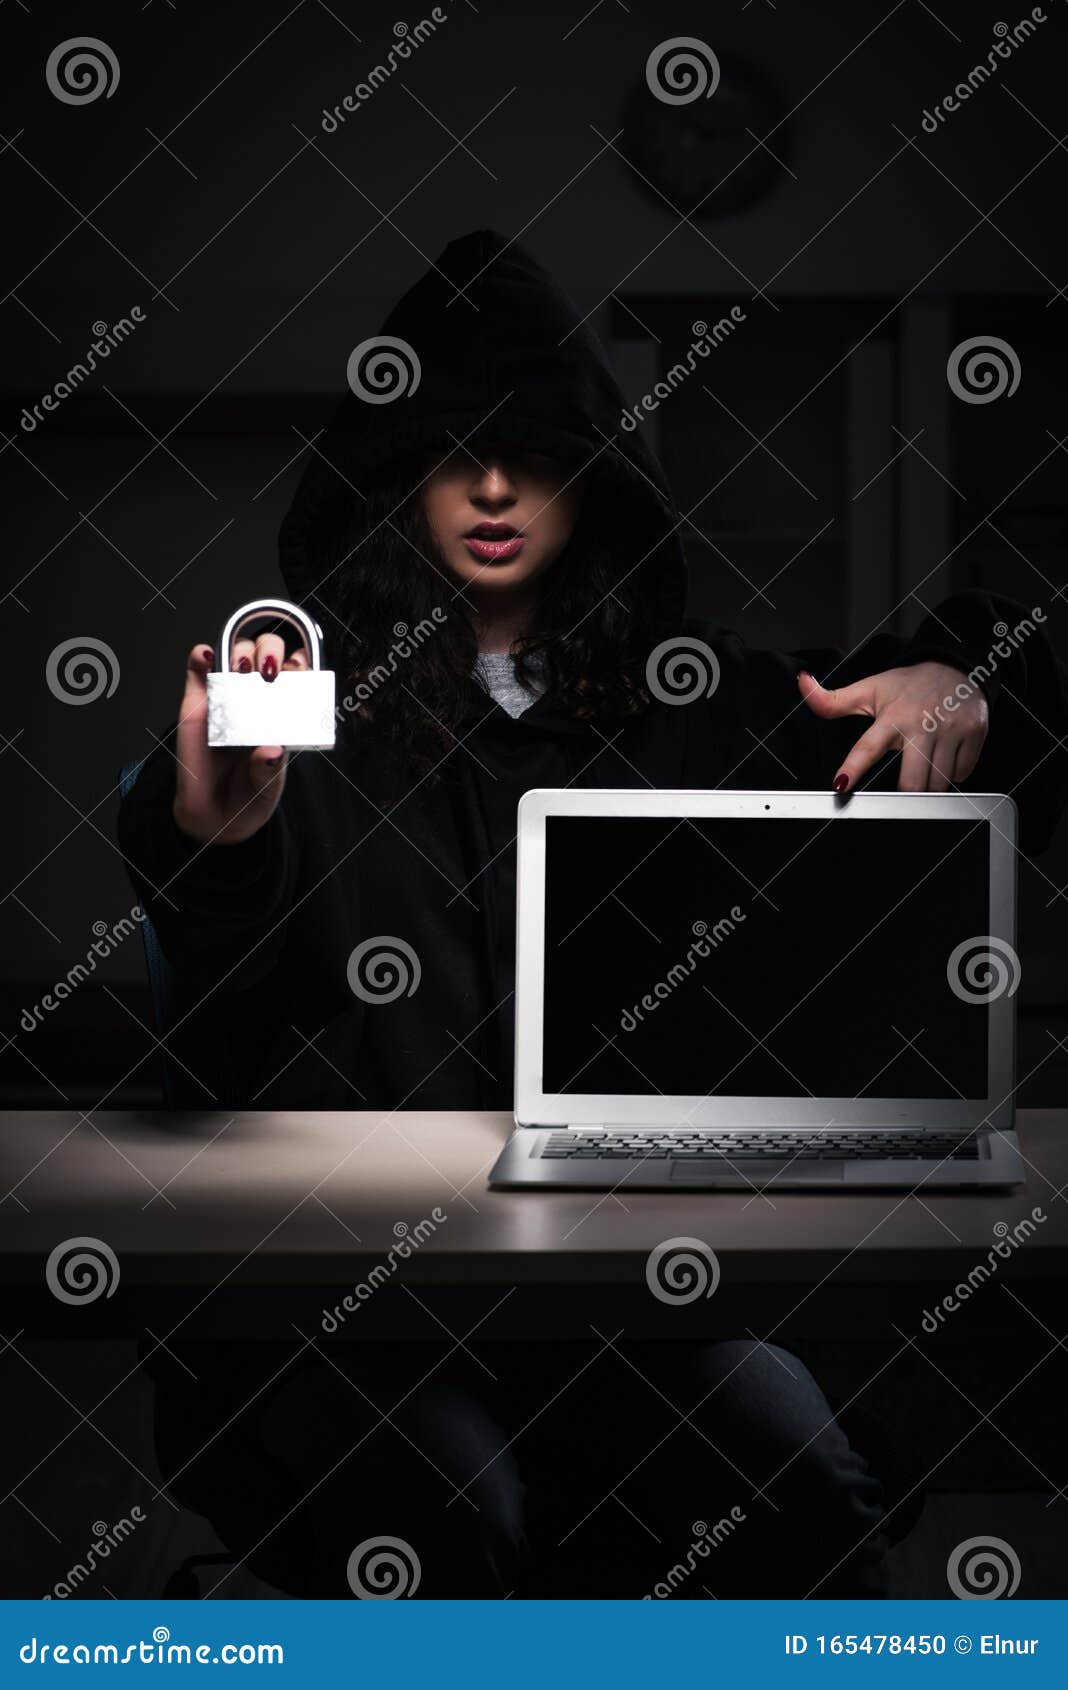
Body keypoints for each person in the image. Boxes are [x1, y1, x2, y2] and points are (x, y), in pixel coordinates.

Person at [119, 231, 1068, 1598]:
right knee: (452, 1514)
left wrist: (966, 678)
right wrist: (216, 823)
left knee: (799, 1477)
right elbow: (202, 884)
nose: (496, 487)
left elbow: (955, 709)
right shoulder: (305, 718)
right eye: (457, 453)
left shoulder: (693, 704)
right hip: (363, 1312)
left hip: (628, 1306)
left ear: (596, 481)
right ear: (397, 475)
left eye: (537, 455)